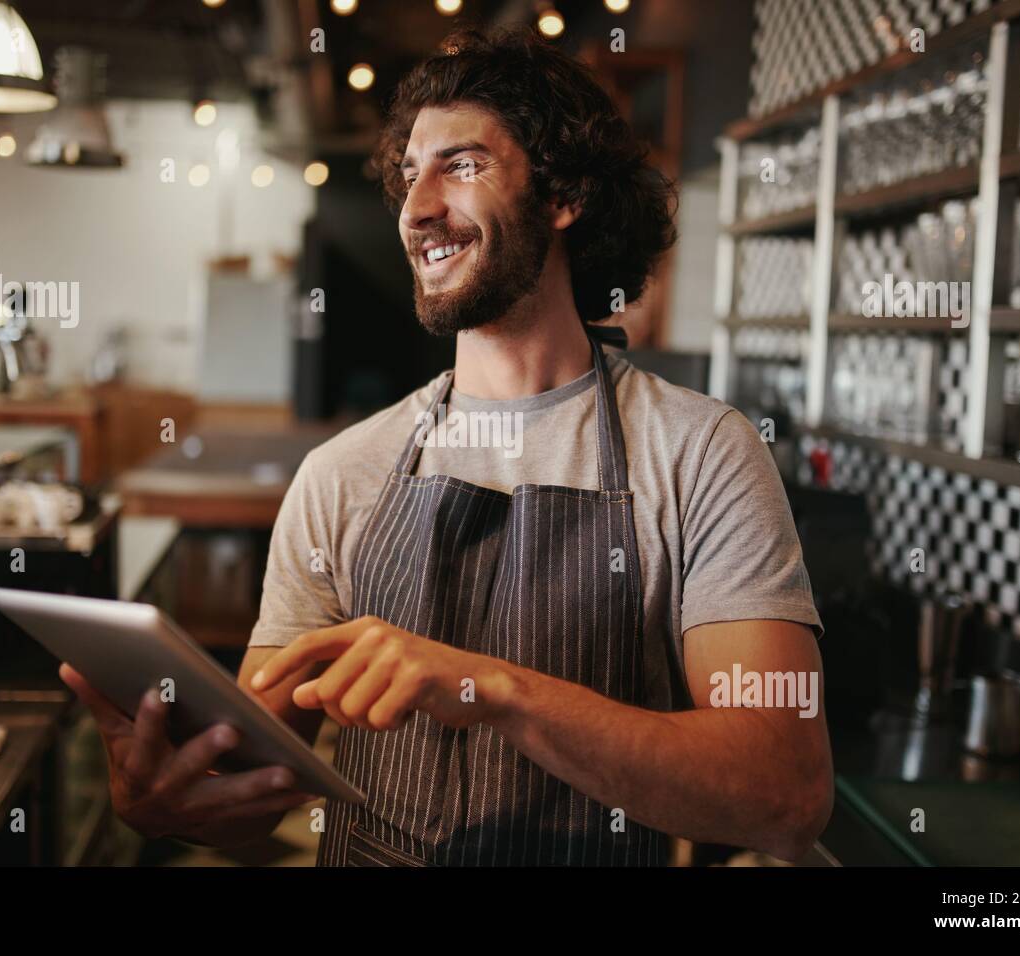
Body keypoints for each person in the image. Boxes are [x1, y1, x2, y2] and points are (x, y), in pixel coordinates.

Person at [64, 27, 833, 867]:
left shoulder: (702, 455)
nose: (417, 208)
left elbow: (785, 794)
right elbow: (253, 797)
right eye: (408, 175)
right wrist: (173, 801)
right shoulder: (342, 474)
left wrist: (491, 687)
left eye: (461, 166)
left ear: (562, 195)